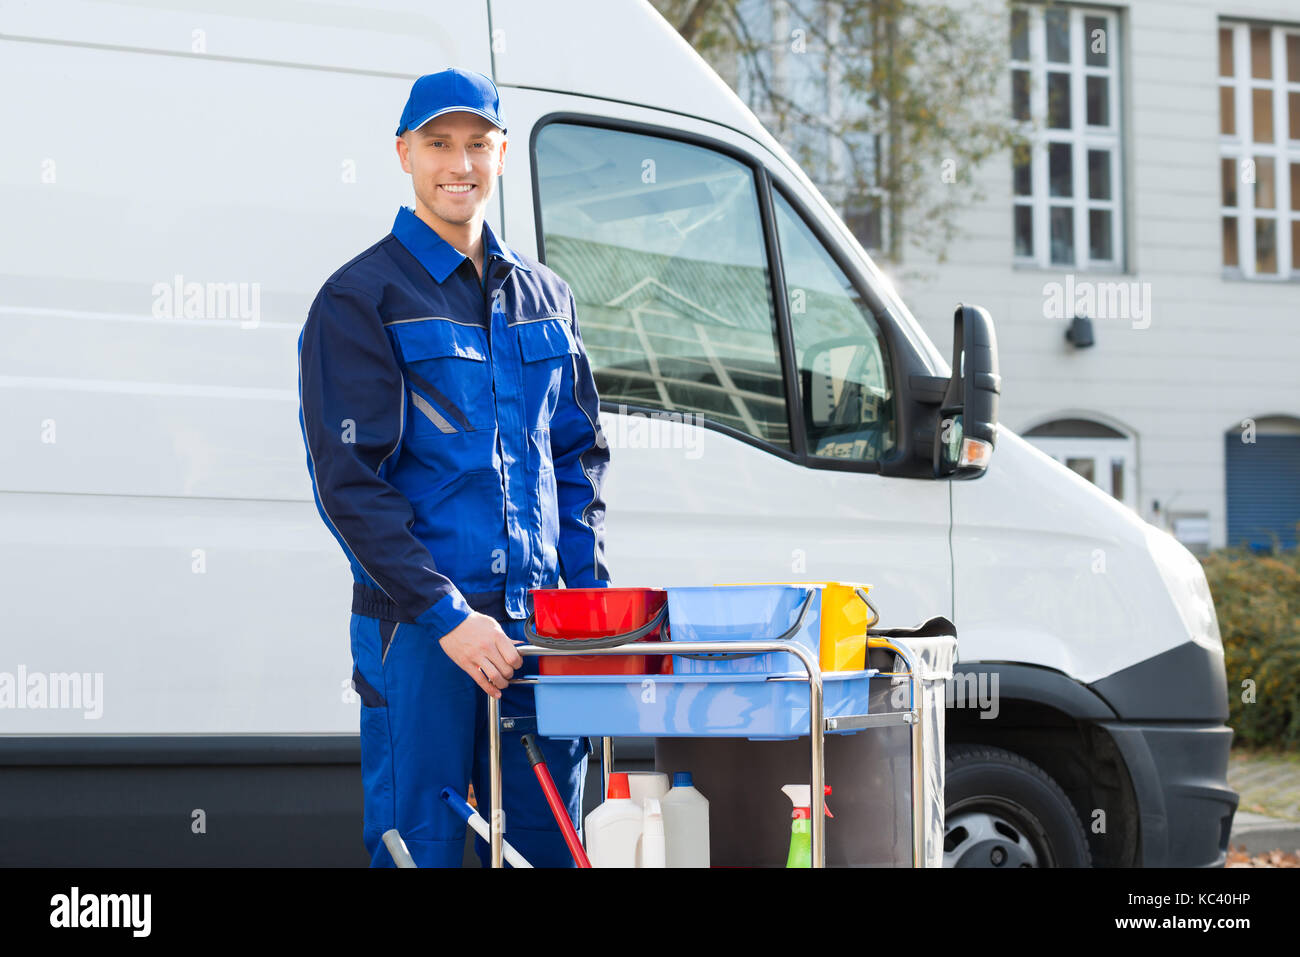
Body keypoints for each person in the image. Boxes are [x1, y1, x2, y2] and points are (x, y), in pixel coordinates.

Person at [296, 68, 611, 868]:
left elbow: (576, 464)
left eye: (478, 143)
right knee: (422, 854)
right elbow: (350, 486)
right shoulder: (360, 298)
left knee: (550, 853)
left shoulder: (548, 297)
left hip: (538, 637)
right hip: (422, 637)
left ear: (502, 155)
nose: (458, 162)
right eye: (438, 143)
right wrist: (449, 618)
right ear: (404, 153)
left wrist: (587, 613)